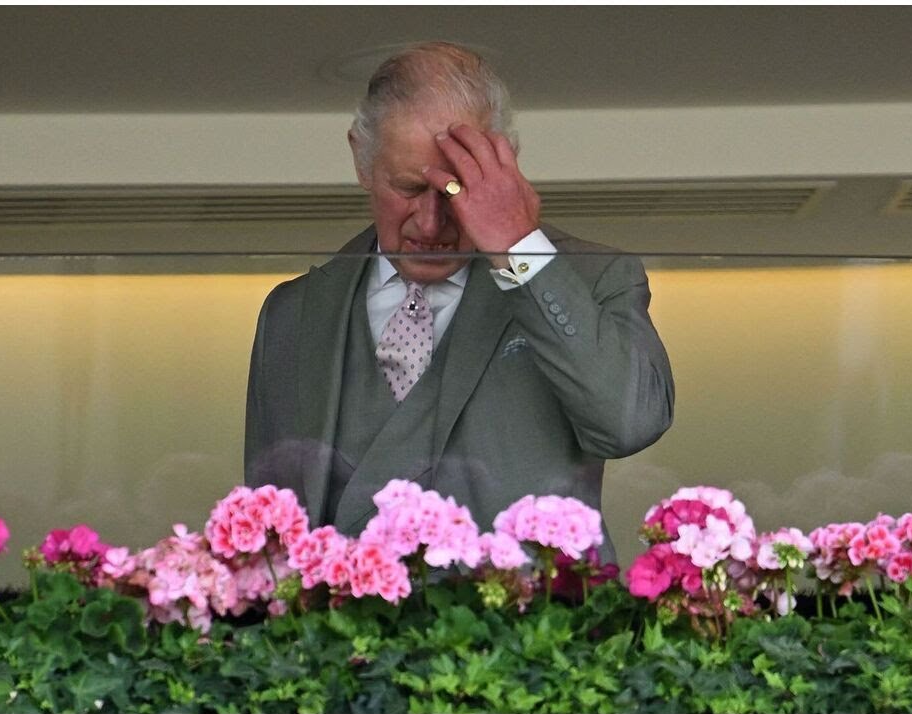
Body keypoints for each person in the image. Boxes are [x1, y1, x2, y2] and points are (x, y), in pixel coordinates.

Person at [244, 41, 673, 560]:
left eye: (454, 192)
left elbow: (630, 423)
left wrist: (519, 250)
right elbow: (268, 527)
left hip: (528, 633)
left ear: (504, 166)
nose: (430, 225)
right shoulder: (292, 312)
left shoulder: (592, 277)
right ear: (360, 158)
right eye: (406, 188)